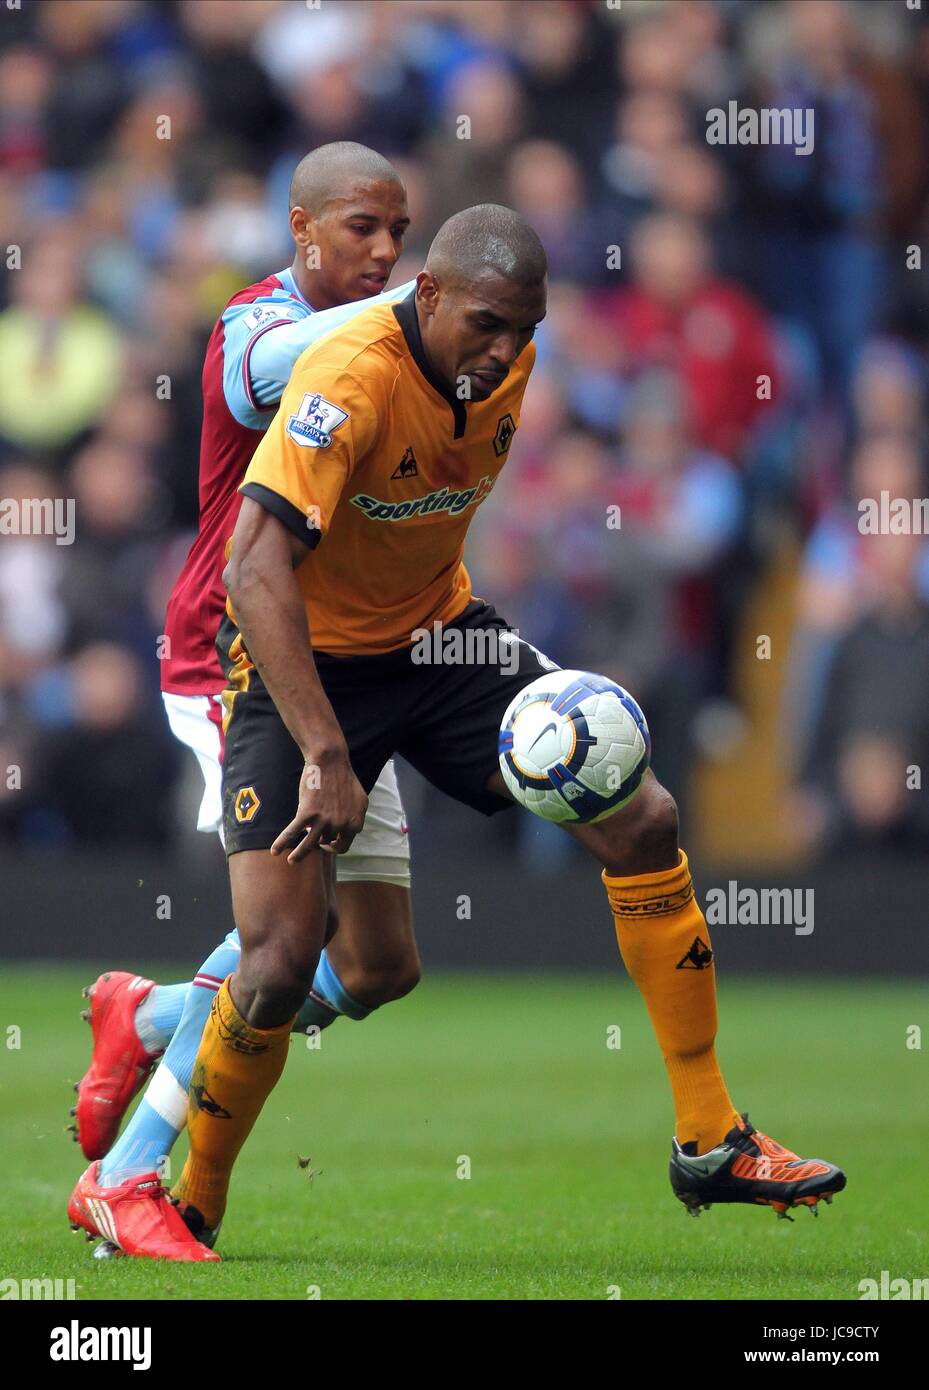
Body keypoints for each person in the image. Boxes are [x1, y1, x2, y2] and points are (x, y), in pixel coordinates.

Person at [70, 203, 845, 1261]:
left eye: (524, 328)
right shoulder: (347, 378)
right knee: (284, 957)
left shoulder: (508, 362)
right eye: (485, 323)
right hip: (302, 664)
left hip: (438, 641)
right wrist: (327, 755)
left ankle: (710, 1136)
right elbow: (252, 571)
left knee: (641, 818)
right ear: (426, 295)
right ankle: (192, 1198)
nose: (503, 349)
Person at [68, 143, 423, 1260]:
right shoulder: (253, 327)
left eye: (399, 232)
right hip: (235, 655)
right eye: (360, 227)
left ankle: (149, 1014)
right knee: (282, 940)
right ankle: (123, 1180)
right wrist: (441, 294)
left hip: (345, 663)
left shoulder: (399, 341)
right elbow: (292, 366)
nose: (384, 251)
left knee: (377, 965)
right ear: (299, 227)